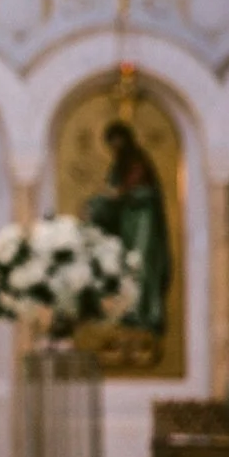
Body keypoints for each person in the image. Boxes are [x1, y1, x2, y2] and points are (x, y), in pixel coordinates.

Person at [87, 122, 171, 334]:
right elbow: (115, 190)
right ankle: (130, 310)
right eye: (111, 143)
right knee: (126, 267)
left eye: (117, 141)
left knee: (142, 267)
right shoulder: (119, 164)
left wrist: (117, 196)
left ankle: (146, 313)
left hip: (144, 223)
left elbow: (133, 189)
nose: (114, 146)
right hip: (127, 223)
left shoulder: (137, 161)